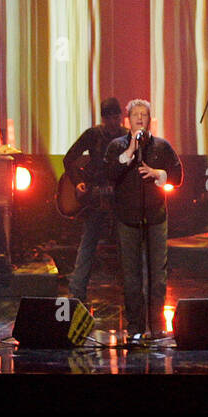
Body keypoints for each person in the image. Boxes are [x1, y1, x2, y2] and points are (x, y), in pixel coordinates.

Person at [106, 99, 183, 339]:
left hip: (156, 217)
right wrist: (129, 151)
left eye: (144, 115)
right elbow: (109, 174)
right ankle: (136, 327)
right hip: (127, 218)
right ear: (128, 120)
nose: (140, 118)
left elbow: (178, 176)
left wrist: (159, 173)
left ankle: (158, 327)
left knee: (157, 277)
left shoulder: (161, 146)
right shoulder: (116, 146)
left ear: (149, 120)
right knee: (131, 277)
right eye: (136, 115)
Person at [64, 97, 125, 305]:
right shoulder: (93, 135)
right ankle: (77, 289)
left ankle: (134, 287)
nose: (113, 122)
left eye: (116, 117)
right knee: (89, 241)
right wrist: (79, 182)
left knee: (127, 242)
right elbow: (69, 158)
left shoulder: (128, 137)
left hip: (118, 198)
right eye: (109, 118)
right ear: (104, 118)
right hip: (95, 196)